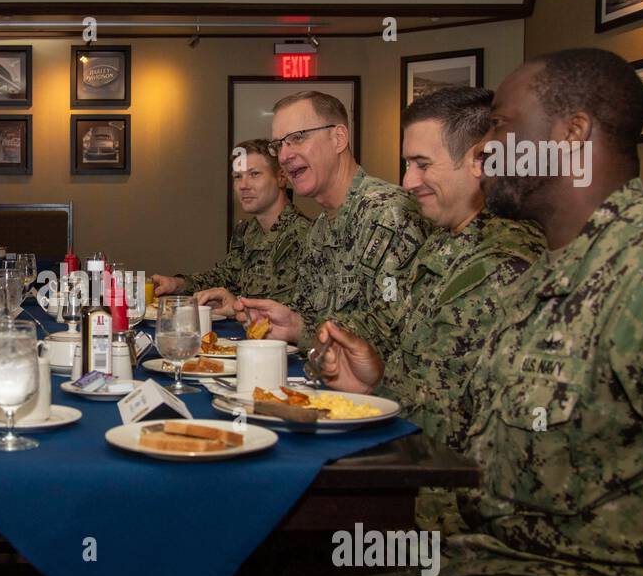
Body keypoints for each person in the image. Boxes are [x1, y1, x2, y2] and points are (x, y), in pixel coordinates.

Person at [273, 49, 643, 576]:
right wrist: (378, 387)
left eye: (501, 125)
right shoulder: (553, 269)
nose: (485, 147)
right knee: (280, 575)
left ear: (572, 137)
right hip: (503, 544)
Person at [242, 87, 543, 453]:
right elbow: (396, 324)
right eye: (279, 144)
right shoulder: (444, 240)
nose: (408, 182)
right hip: (387, 427)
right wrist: (300, 328)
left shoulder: (497, 257)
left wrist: (374, 386)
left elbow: (461, 415)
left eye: (423, 164)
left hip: (431, 475)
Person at [197, 91, 429, 352]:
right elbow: (306, 313)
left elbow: (393, 330)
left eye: (297, 138)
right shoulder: (319, 228)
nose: (284, 156)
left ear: (338, 138)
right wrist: (274, 319)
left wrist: (300, 328)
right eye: (279, 145)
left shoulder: (388, 213)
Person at [151, 139, 309, 306]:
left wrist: (237, 307)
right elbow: (228, 276)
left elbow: (296, 312)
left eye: (254, 174)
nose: (243, 185)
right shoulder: (247, 231)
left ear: (281, 178)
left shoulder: (304, 236)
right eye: (237, 177)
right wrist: (179, 285)